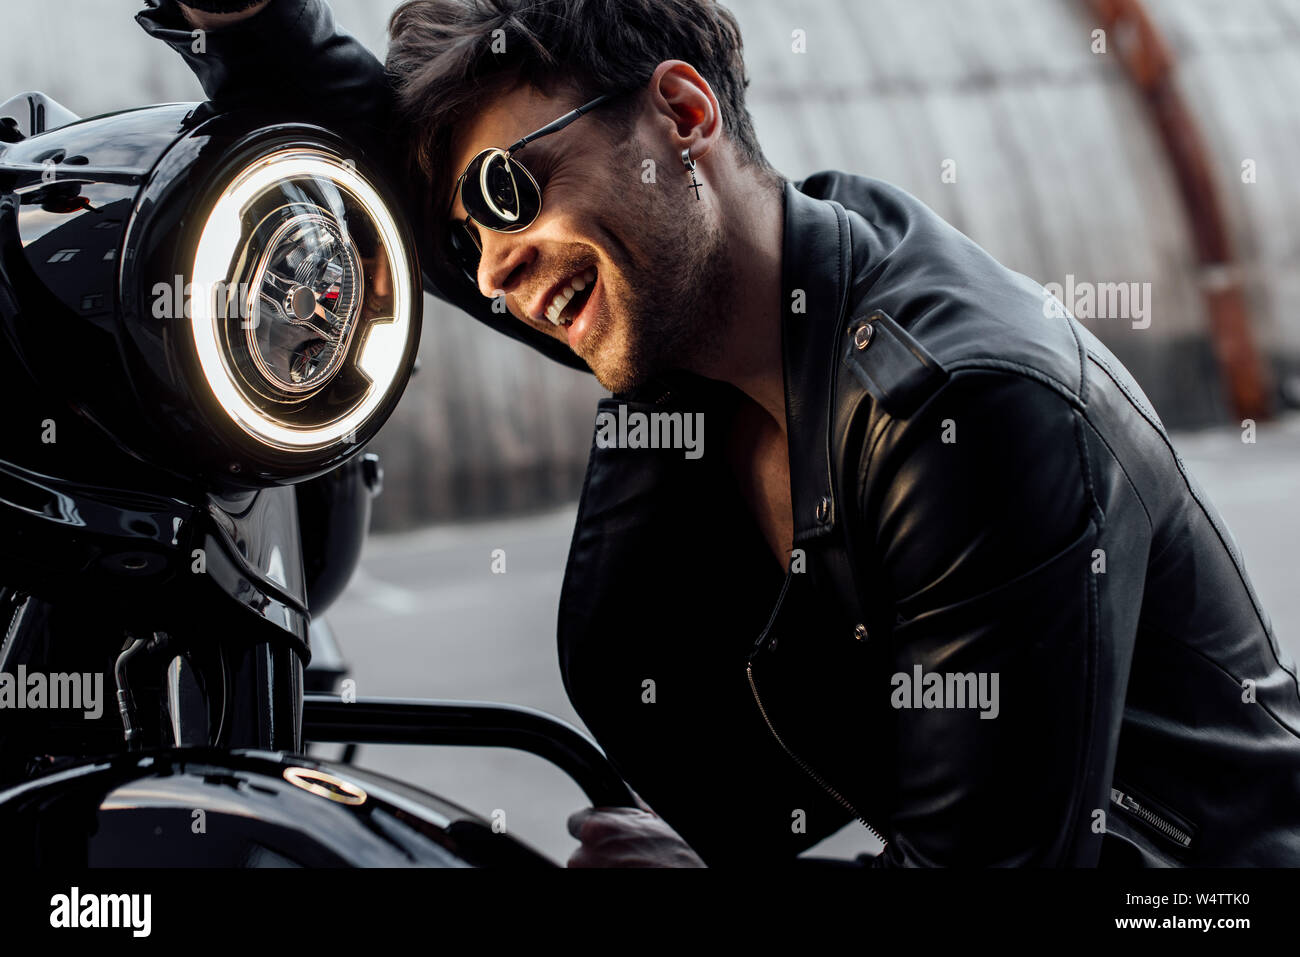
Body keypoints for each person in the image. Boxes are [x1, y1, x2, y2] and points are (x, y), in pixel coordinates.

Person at [137, 0, 1300, 867]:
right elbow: (380, 142)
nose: (493, 271)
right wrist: (245, 19)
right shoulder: (707, 303)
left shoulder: (961, 410)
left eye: (503, 195)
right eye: (470, 238)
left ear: (681, 114)